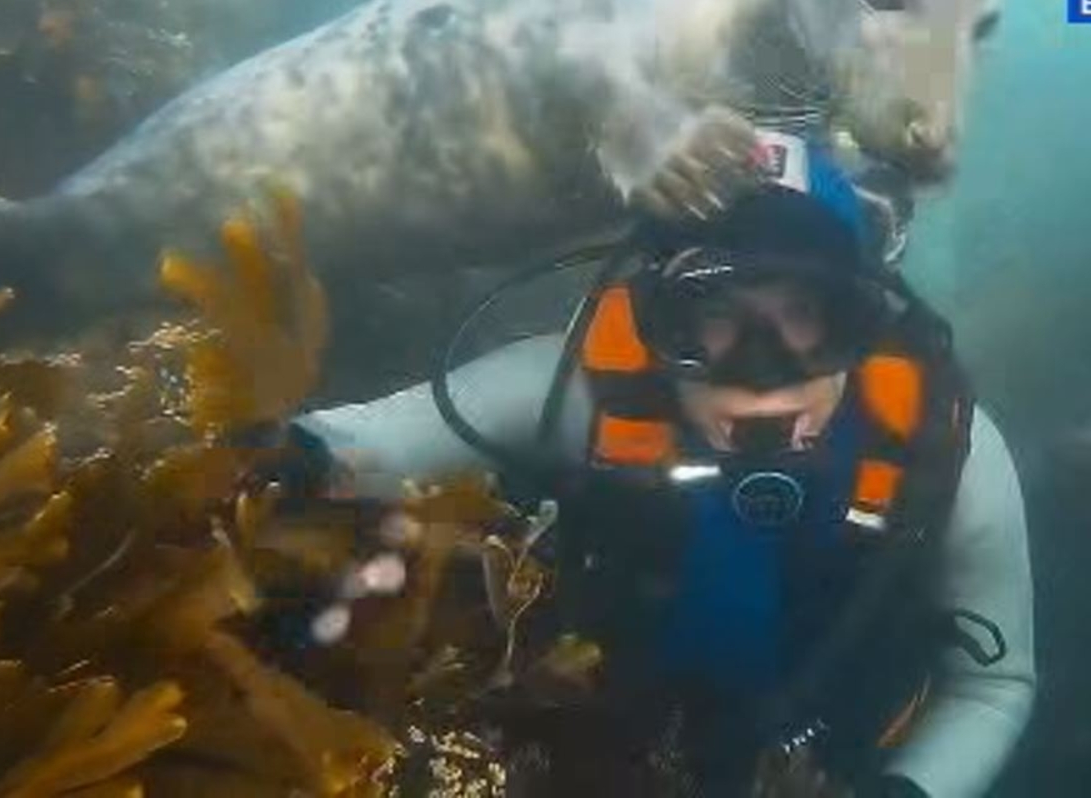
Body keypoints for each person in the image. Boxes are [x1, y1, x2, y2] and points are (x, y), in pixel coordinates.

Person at [282, 131, 1037, 797]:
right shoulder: (585, 391)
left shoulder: (946, 447)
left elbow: (994, 684)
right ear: (654, 322)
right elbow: (365, 440)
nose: (761, 369)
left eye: (808, 317)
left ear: (863, 322)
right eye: (714, 315)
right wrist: (279, 458)